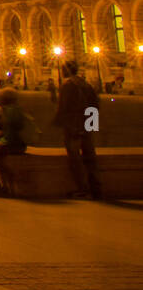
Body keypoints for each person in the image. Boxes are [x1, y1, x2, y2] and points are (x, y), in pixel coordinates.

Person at [53, 61, 102, 200]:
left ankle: (82, 189)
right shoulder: (85, 84)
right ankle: (96, 188)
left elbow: (63, 107)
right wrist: (91, 125)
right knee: (90, 157)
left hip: (74, 125)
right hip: (87, 123)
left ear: (66, 71)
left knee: (75, 159)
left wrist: (59, 123)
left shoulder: (67, 85)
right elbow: (95, 104)